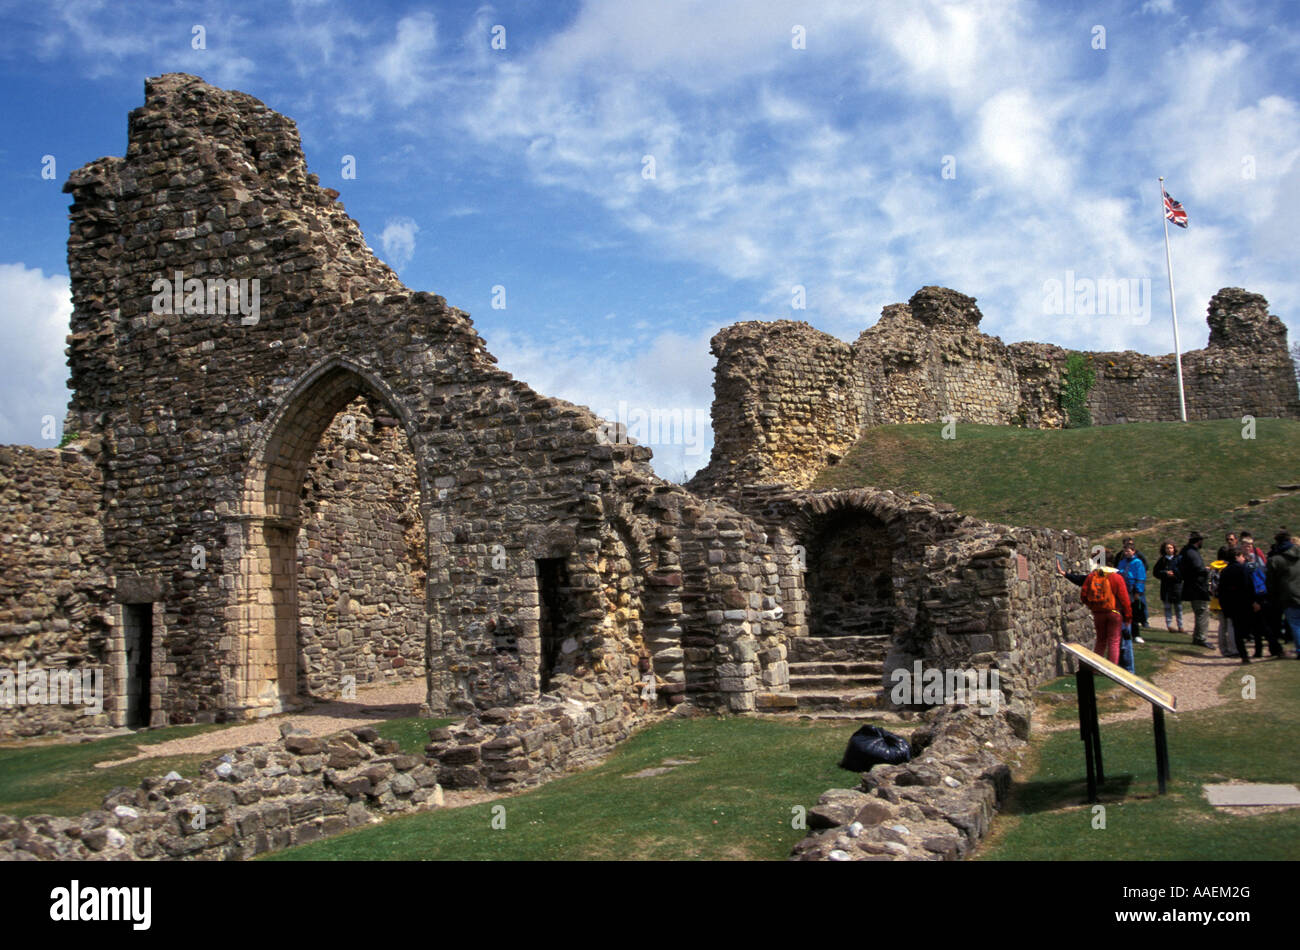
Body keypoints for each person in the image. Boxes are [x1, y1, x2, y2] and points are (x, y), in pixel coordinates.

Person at [1057, 559, 1132, 667]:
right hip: (1114, 613)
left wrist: (1092, 606)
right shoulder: (1117, 578)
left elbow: (1083, 594)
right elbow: (1125, 600)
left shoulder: (1093, 577)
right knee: (1114, 640)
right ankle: (1112, 668)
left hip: (1098, 613)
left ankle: (1096, 667)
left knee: (1100, 640)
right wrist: (1128, 618)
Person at [1217, 545, 1278, 662]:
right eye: (1242, 556)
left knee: (1238, 632)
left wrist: (1225, 608)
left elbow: (1222, 592)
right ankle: (1268, 650)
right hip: (1247, 604)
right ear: (1237, 557)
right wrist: (1254, 601)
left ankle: (1244, 656)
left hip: (1233, 606)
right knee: (1259, 627)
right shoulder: (1243, 569)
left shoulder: (1224, 572)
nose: (1244, 558)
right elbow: (1248, 587)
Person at [1265, 530, 1300, 659]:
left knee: (1296, 624)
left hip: (1288, 595)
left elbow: (1270, 582)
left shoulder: (1275, 559)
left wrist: (1272, 596)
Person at [1179, 532, 1212, 648]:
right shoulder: (1192, 553)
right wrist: (1207, 570)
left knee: (1199, 612)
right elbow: (1198, 568)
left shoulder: (1185, 551)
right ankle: (1200, 638)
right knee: (1202, 612)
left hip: (1191, 586)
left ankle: (1197, 637)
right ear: (1198, 541)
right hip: (1197, 587)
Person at [1116, 540, 1148, 643]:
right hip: (1122, 589)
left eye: (1128, 551)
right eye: (1125, 551)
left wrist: (1138, 592)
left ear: (1133, 551)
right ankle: (1123, 632)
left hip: (1133, 590)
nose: (1126, 553)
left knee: (1133, 613)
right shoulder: (1122, 562)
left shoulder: (1137, 563)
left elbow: (1140, 577)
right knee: (1122, 612)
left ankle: (1136, 634)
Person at [1152, 541, 1184, 632]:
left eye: (1171, 548)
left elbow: (1183, 571)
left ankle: (1180, 625)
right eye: (1167, 548)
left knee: (1178, 607)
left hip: (1176, 586)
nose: (1169, 550)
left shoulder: (1179, 559)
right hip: (1166, 587)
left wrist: (1175, 573)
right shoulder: (1162, 560)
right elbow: (1156, 572)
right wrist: (1165, 573)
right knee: (1167, 606)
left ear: (1174, 549)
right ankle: (1169, 625)